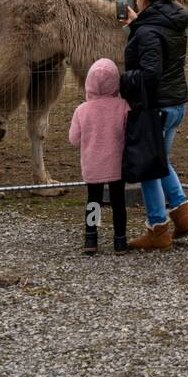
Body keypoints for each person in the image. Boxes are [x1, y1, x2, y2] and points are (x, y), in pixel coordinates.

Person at [122, 0, 188, 250]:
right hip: (176, 102)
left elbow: (150, 72)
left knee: (149, 168)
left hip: (157, 108)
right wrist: (136, 25)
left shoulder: (148, 30)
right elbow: (159, 51)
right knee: (160, 160)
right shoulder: (173, 22)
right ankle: (181, 212)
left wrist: (123, 81)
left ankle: (158, 227)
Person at [69, 58, 131, 255]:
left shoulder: (82, 111)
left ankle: (91, 237)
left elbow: (74, 139)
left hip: (92, 165)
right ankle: (120, 240)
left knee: (93, 201)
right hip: (116, 165)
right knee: (118, 203)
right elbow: (130, 131)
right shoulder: (123, 106)